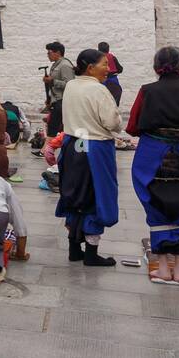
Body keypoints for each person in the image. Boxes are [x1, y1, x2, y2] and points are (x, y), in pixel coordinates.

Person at [126, 46, 179, 284]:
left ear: (156, 67)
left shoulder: (148, 91)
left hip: (153, 155)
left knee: (156, 207)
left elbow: (132, 126)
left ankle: (163, 268)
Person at [56, 49, 122, 266]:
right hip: (95, 146)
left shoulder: (71, 86)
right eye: (104, 64)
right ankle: (92, 254)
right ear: (90, 67)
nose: (108, 69)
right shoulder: (99, 90)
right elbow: (112, 123)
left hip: (74, 143)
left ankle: (74, 249)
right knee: (96, 195)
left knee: (76, 193)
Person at [43, 42, 73, 137]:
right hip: (56, 100)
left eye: (49, 53)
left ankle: (46, 151)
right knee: (53, 126)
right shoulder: (56, 65)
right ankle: (46, 150)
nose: (48, 55)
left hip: (63, 101)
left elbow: (70, 84)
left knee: (54, 126)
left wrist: (53, 81)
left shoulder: (65, 65)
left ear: (58, 52)